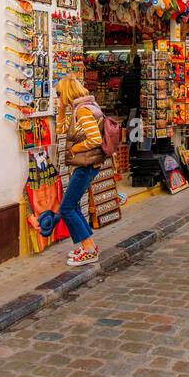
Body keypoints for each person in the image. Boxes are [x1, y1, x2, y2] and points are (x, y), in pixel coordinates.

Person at [55, 77, 107, 267]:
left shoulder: (83, 111)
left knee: (66, 208)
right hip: (85, 165)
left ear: (66, 92)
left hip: (85, 165)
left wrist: (74, 150)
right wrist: (61, 109)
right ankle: (90, 245)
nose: (58, 97)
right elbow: (60, 130)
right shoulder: (80, 108)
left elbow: (94, 140)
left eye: (59, 93)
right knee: (73, 205)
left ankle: (88, 250)